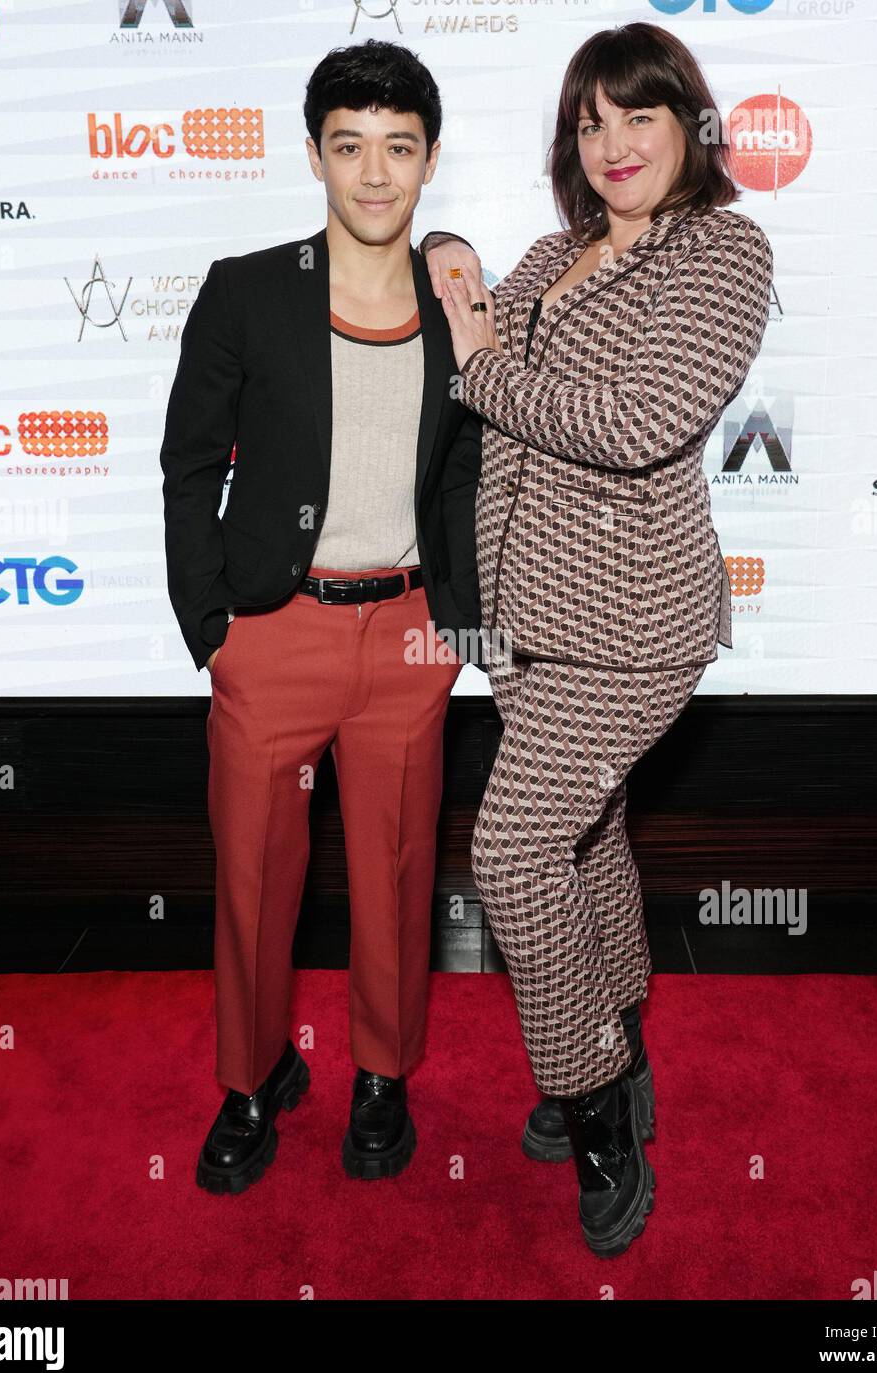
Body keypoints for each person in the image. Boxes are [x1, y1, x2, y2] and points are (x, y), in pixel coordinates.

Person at [416, 21, 774, 1256]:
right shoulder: (552, 251)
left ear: (689, 126)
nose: (613, 143)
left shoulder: (722, 250)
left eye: (639, 115)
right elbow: (462, 322)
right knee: (588, 835)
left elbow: (635, 423)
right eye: (589, 121)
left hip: (630, 622)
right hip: (523, 618)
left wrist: (480, 365)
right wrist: (453, 265)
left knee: (512, 854)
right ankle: (620, 1044)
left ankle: (596, 1107)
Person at [159, 39, 483, 1195]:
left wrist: (462, 626)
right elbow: (190, 464)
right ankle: (251, 1081)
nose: (375, 172)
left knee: (398, 874)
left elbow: (461, 476)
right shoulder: (246, 288)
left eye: (398, 148)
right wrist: (213, 627)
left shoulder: (459, 303)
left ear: (429, 157)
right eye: (349, 147)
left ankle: (382, 1077)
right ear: (313, 156)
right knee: (251, 873)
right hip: (273, 632)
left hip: (404, 635)